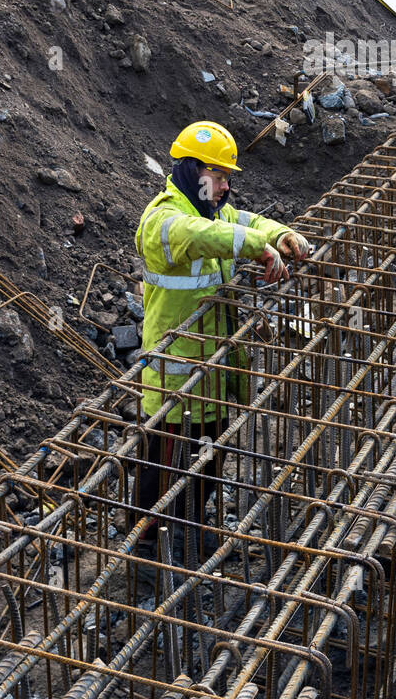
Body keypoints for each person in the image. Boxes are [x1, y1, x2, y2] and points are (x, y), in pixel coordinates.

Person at [132, 120, 309, 554]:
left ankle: (192, 529)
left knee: (209, 461)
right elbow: (203, 236)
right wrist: (255, 246)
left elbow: (250, 222)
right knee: (163, 468)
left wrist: (280, 235)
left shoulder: (217, 211)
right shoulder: (163, 219)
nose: (226, 186)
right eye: (219, 175)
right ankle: (148, 550)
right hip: (174, 378)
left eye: (228, 177)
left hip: (216, 372)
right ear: (193, 170)